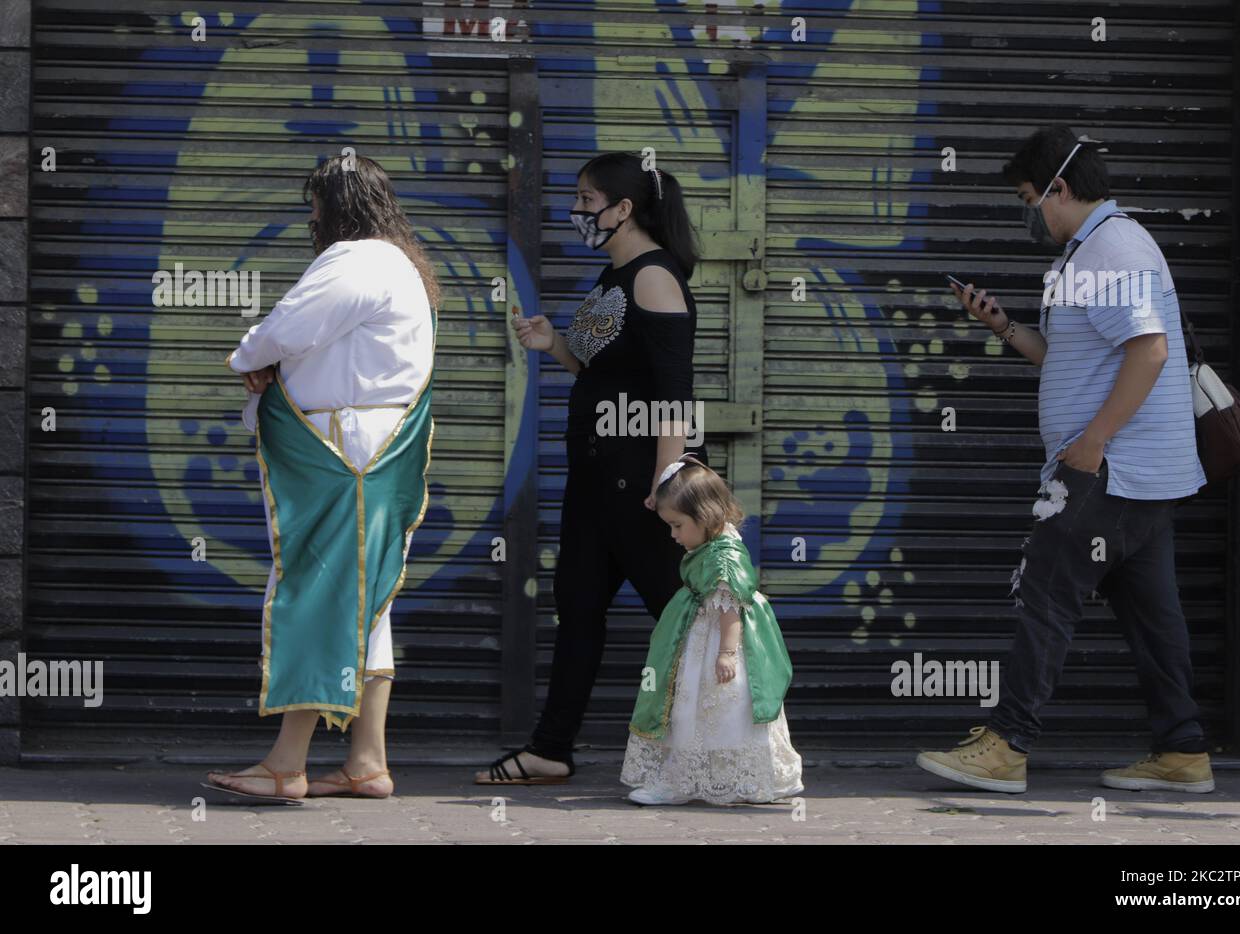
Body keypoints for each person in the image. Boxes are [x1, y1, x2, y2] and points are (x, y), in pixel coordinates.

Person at [917, 126, 1212, 794]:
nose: (1030, 213)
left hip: (1112, 469)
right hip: (1142, 472)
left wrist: (1095, 441)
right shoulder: (1093, 251)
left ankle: (1007, 745)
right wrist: (1002, 326)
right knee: (1151, 611)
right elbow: (1071, 359)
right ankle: (1183, 749)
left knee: (1045, 591)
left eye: (1030, 198)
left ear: (1060, 189)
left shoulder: (1111, 249)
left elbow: (1150, 351)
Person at [205, 155, 439, 802]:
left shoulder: (356, 260)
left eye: (315, 205)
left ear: (337, 206)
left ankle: (287, 765)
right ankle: (367, 762)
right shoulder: (398, 265)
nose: (310, 217)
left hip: (341, 457)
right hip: (378, 455)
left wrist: (251, 358)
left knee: (315, 592)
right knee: (368, 606)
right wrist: (274, 366)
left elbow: (285, 330)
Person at [475, 153, 705, 784]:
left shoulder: (654, 276)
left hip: (640, 479)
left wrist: (667, 486)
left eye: (585, 199)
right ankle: (551, 748)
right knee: (577, 606)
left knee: (682, 615)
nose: (576, 211)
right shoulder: (614, 274)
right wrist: (556, 344)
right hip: (597, 476)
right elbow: (602, 369)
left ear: (622, 208)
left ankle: (719, 745)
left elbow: (673, 392)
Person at [621, 455, 802, 806]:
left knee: (704, 706)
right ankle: (733, 777)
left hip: (718, 640)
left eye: (677, 525)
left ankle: (683, 779)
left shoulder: (722, 558)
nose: (673, 535)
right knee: (714, 710)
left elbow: (730, 607)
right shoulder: (715, 540)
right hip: (706, 631)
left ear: (705, 518)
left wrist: (726, 653)